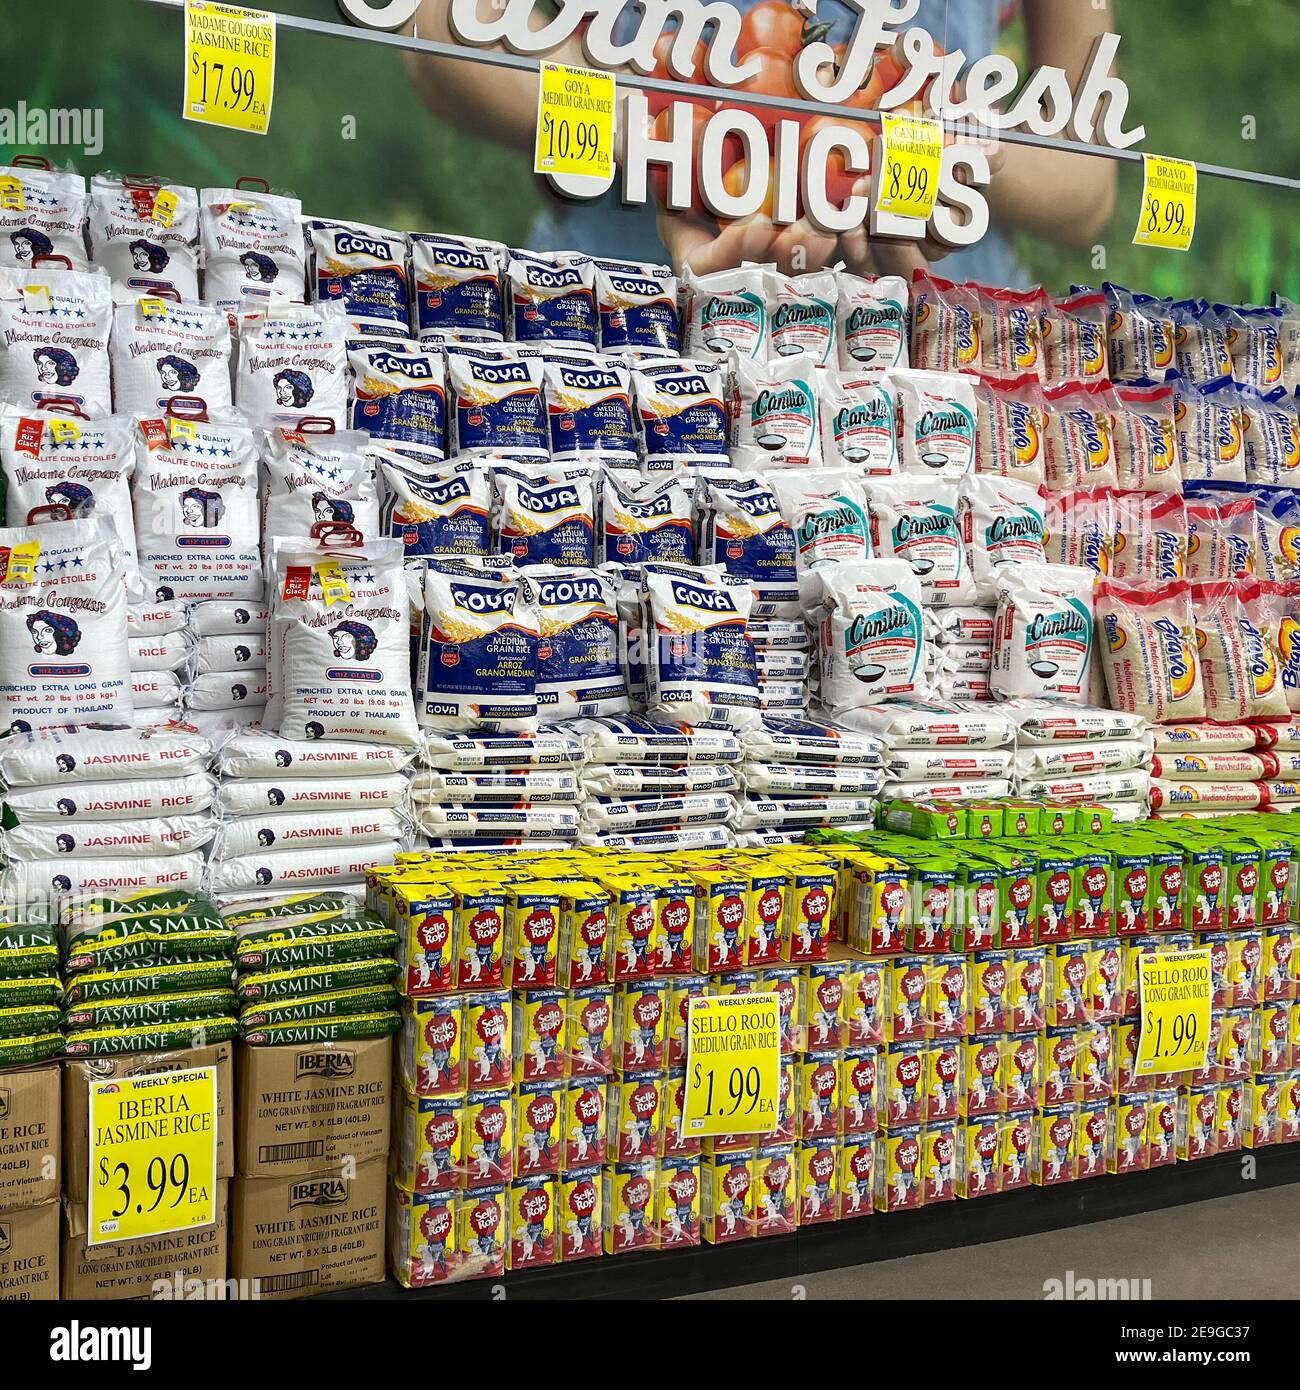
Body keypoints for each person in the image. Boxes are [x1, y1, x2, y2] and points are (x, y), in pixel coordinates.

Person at [405, 0, 1116, 284]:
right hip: (625, 316)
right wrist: (664, 137)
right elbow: (440, 36)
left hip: (932, 354)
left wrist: (937, 160)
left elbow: (1087, 183)